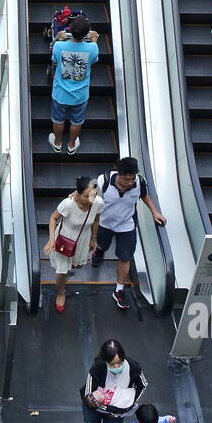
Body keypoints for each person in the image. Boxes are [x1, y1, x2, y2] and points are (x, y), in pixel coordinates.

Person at [92, 158, 167, 310]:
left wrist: (155, 212)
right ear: (118, 174)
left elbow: (144, 195)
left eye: (132, 179)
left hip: (127, 225)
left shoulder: (139, 182)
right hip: (105, 224)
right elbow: (89, 193)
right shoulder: (103, 181)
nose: (130, 182)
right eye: (127, 179)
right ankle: (99, 250)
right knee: (103, 244)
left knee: (125, 257)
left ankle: (119, 290)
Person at [80, 338, 148, 423]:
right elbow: (87, 395)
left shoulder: (133, 367)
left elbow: (143, 385)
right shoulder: (98, 368)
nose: (117, 367)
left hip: (116, 414)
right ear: (106, 361)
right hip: (95, 409)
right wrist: (111, 407)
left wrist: (130, 402)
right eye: (112, 364)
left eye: (120, 363)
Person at [42, 177, 103, 313]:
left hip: (83, 238)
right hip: (65, 238)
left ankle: (66, 272)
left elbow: (96, 220)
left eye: (92, 195)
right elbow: (53, 218)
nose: (90, 199)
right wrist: (52, 239)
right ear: (77, 195)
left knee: (79, 265)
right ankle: (61, 292)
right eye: (86, 196)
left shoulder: (98, 202)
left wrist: (93, 238)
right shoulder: (68, 204)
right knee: (62, 271)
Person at [49, 16, 99, 155]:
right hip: (80, 95)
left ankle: (58, 143)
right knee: (77, 121)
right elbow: (94, 60)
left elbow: (54, 59)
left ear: (70, 29)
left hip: (60, 93)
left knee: (58, 119)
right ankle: (71, 145)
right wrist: (94, 39)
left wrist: (58, 38)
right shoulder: (92, 48)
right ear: (86, 33)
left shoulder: (59, 46)